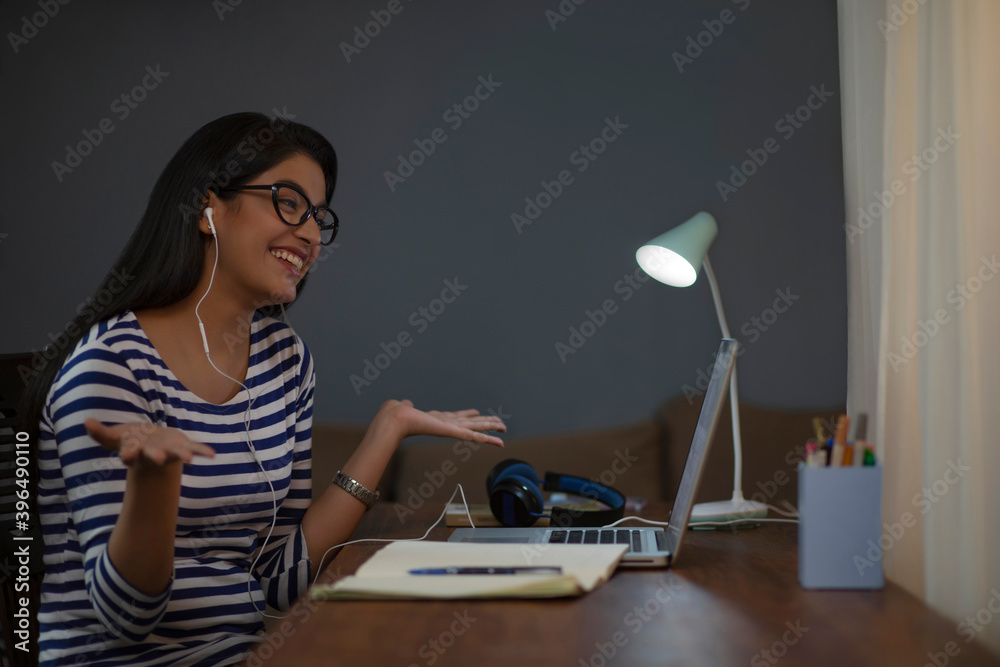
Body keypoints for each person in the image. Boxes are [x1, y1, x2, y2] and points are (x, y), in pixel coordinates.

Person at [21, 112, 506, 666]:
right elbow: (125, 617)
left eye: (318, 217)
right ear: (208, 210)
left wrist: (386, 431)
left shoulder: (284, 359)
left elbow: (278, 580)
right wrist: (154, 485)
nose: (308, 233)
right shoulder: (111, 364)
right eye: (288, 202)